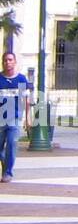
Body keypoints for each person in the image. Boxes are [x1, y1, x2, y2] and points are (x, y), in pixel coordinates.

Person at [0, 52, 31, 182]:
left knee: (12, 143)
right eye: (5, 60)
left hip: (14, 118)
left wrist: (28, 118)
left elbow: (26, 100)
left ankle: (8, 172)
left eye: (10, 60)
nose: (8, 62)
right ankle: (5, 167)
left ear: (15, 62)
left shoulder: (21, 79)